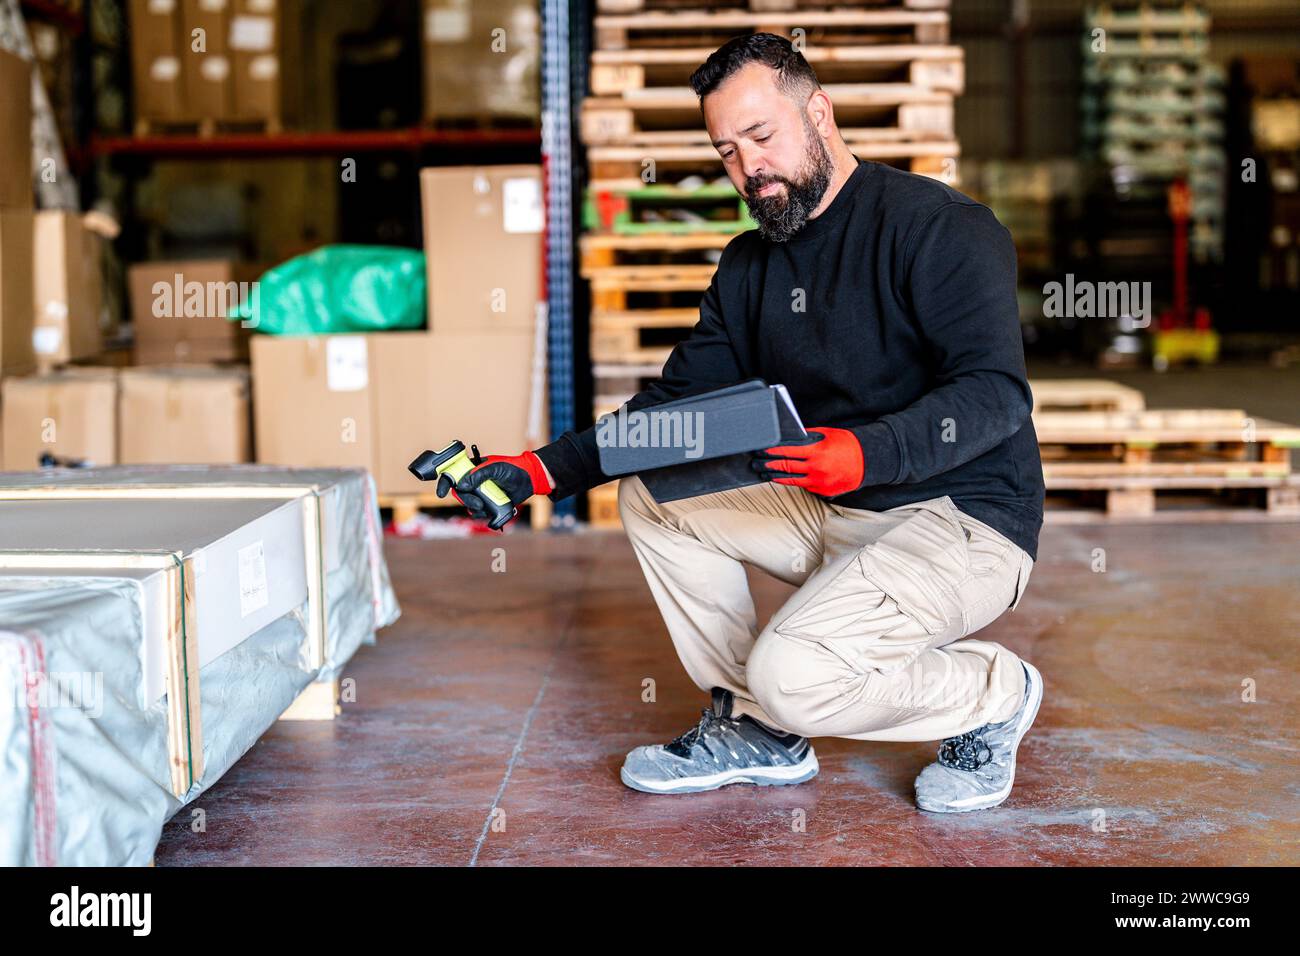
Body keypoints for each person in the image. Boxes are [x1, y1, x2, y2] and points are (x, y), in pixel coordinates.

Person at [444, 33, 1046, 813]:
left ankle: (996, 691)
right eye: (727, 150)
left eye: (762, 137)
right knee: (657, 494)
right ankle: (757, 727)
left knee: (794, 674)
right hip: (831, 501)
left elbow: (996, 394)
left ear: (819, 114)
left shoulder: (939, 229)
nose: (747, 167)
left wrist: (869, 453)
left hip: (961, 520)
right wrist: (542, 470)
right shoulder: (751, 264)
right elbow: (674, 406)